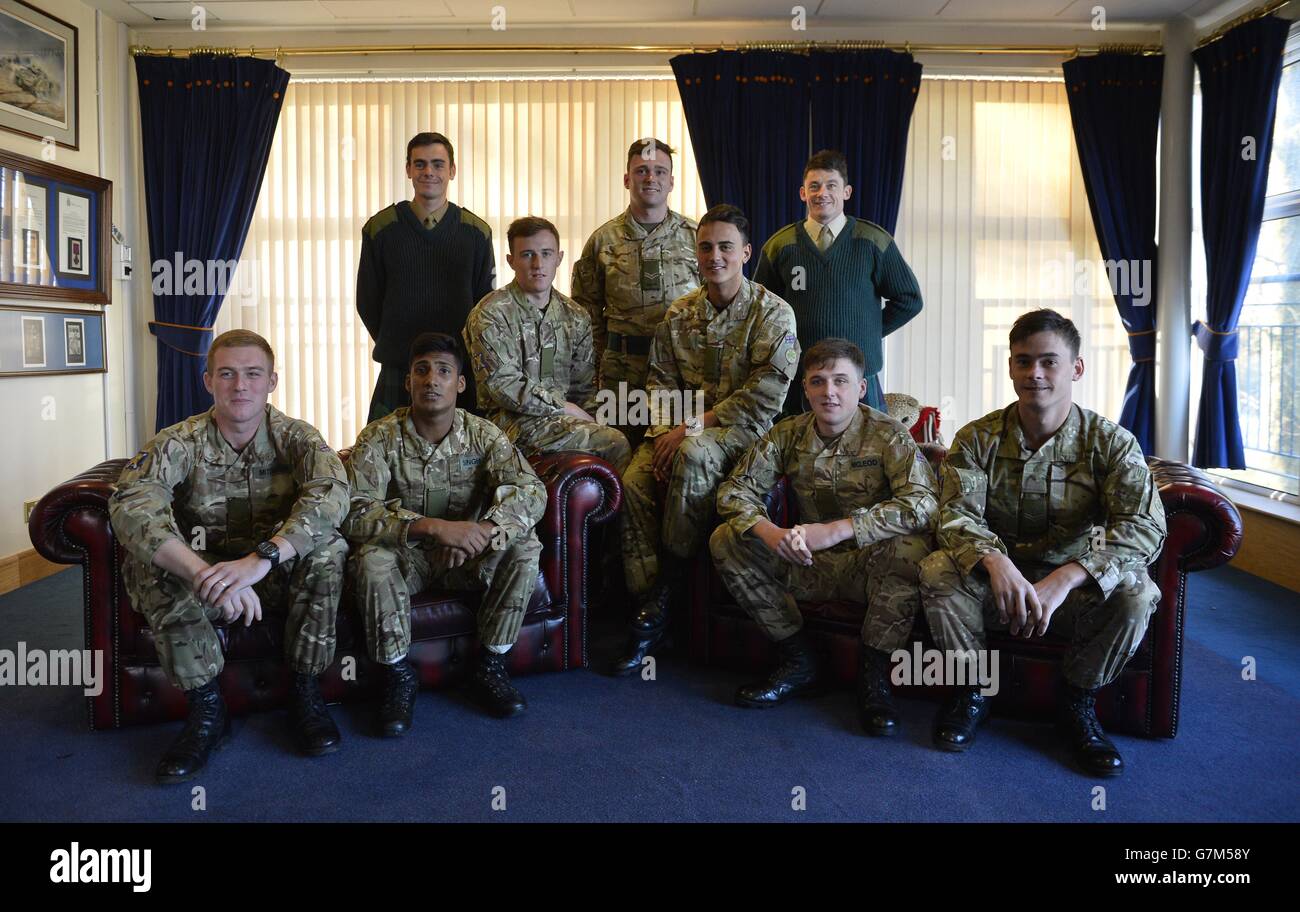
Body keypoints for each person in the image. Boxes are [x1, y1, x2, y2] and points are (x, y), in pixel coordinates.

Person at [919, 309, 1167, 777]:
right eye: (1023, 361)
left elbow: (1144, 527)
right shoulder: (977, 438)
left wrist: (1071, 575)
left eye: (1049, 361)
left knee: (1137, 592)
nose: (1035, 373)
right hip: (999, 585)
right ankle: (972, 690)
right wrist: (994, 562)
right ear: (1010, 367)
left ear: (1076, 368)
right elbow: (954, 516)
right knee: (936, 569)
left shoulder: (1110, 443)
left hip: (1071, 592)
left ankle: (1077, 702)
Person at [108, 330, 350, 783]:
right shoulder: (178, 441)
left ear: (272, 381)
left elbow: (333, 496)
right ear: (208, 382)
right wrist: (206, 575)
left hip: (271, 571)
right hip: (202, 576)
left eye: (253, 374)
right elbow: (132, 502)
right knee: (148, 562)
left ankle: (304, 691)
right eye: (227, 374)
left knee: (329, 549)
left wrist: (259, 562)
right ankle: (206, 711)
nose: (240, 385)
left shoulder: (298, 438)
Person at [711, 338, 937, 733]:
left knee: (912, 550)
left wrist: (838, 530)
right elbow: (734, 491)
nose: (828, 392)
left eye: (840, 381)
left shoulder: (887, 435)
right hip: (806, 564)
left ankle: (874, 679)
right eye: (817, 381)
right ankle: (799, 661)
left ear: (861, 388)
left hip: (870, 568)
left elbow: (923, 504)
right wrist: (771, 533)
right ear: (805, 388)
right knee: (727, 539)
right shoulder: (788, 434)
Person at [611, 203, 800, 675]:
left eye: (725, 247)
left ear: (746, 253)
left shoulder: (774, 313)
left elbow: (764, 396)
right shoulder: (679, 314)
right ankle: (646, 605)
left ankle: (664, 596)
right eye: (706, 246)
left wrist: (688, 429)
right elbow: (657, 383)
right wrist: (664, 435)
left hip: (744, 436)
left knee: (693, 454)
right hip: (676, 430)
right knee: (632, 479)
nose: (715, 255)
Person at [343, 332, 547, 726]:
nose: (431, 380)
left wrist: (483, 531)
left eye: (443, 371)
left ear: (460, 383)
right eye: (421, 371)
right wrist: (434, 529)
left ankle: (490, 664)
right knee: (371, 559)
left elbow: (531, 490)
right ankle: (397, 675)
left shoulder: (483, 434)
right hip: (410, 559)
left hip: (469, 557)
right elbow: (354, 510)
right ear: (408, 383)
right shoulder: (379, 438)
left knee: (524, 546)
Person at [752, 149, 923, 414]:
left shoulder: (873, 241)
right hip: (800, 377)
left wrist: (869, 332)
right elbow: (761, 310)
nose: (823, 193)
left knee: (867, 452)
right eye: (814, 186)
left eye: (832, 185)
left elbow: (910, 299)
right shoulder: (780, 245)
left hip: (858, 376)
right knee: (800, 453)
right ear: (802, 193)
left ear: (847, 192)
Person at [463, 216, 630, 471]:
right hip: (509, 423)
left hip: (563, 422)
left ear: (559, 258)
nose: (538, 264)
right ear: (511, 261)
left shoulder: (575, 316)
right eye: (527, 254)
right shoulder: (490, 313)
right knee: (615, 444)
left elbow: (583, 389)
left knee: (616, 433)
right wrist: (564, 408)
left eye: (546, 253)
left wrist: (595, 419)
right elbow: (503, 385)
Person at [570, 138, 701, 446]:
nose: (650, 178)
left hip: (680, 376)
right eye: (641, 170)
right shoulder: (602, 241)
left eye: (659, 171)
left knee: (676, 454)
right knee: (620, 453)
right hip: (621, 376)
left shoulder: (698, 239)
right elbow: (585, 318)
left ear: (672, 181)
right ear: (627, 179)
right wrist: (591, 380)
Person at [357, 131, 495, 421]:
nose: (428, 172)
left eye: (437, 164)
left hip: (457, 371)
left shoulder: (476, 232)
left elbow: (485, 307)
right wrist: (398, 343)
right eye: (419, 164)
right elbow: (367, 301)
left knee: (463, 461)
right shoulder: (380, 229)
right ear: (408, 169)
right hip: (399, 368)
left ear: (452, 171)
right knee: (385, 457)